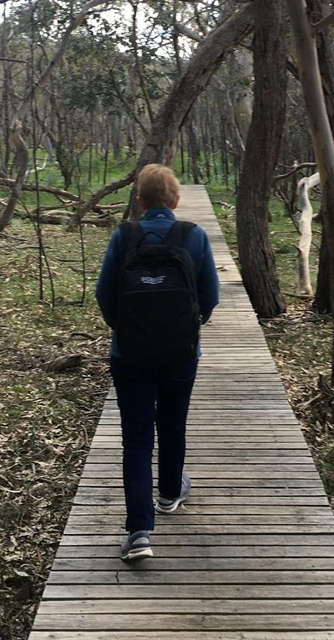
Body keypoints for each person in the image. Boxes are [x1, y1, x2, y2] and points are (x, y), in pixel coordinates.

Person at [95, 164, 219, 562]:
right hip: (181, 353)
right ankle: (169, 493)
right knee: (172, 421)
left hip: (128, 354)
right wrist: (185, 328)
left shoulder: (124, 235)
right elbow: (210, 296)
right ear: (176, 201)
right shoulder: (193, 236)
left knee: (136, 436)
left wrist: (127, 330)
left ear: (139, 201)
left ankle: (139, 532)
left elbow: (104, 295)